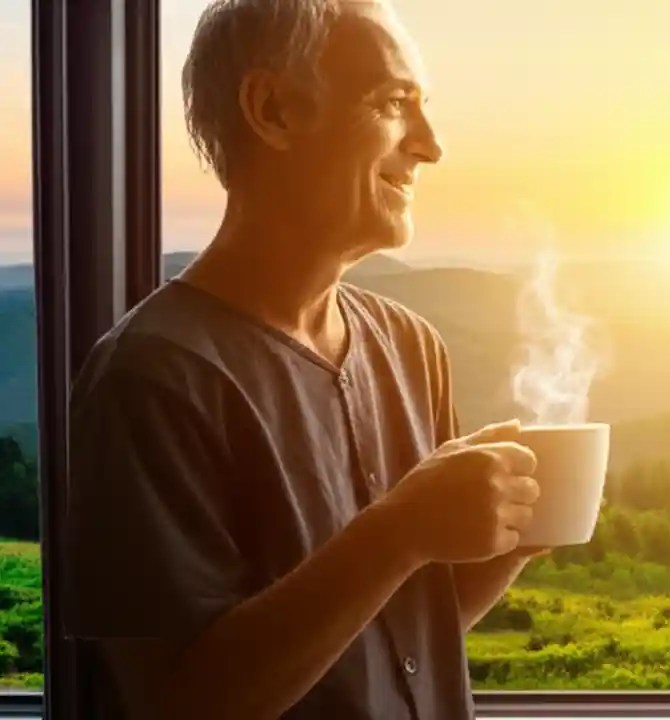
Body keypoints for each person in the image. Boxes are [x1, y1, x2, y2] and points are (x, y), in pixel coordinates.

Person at [65, 1, 542, 717]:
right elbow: (176, 705)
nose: (430, 145)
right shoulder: (151, 378)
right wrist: (401, 530)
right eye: (393, 103)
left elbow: (393, 638)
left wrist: (512, 541)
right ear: (274, 109)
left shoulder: (411, 348)